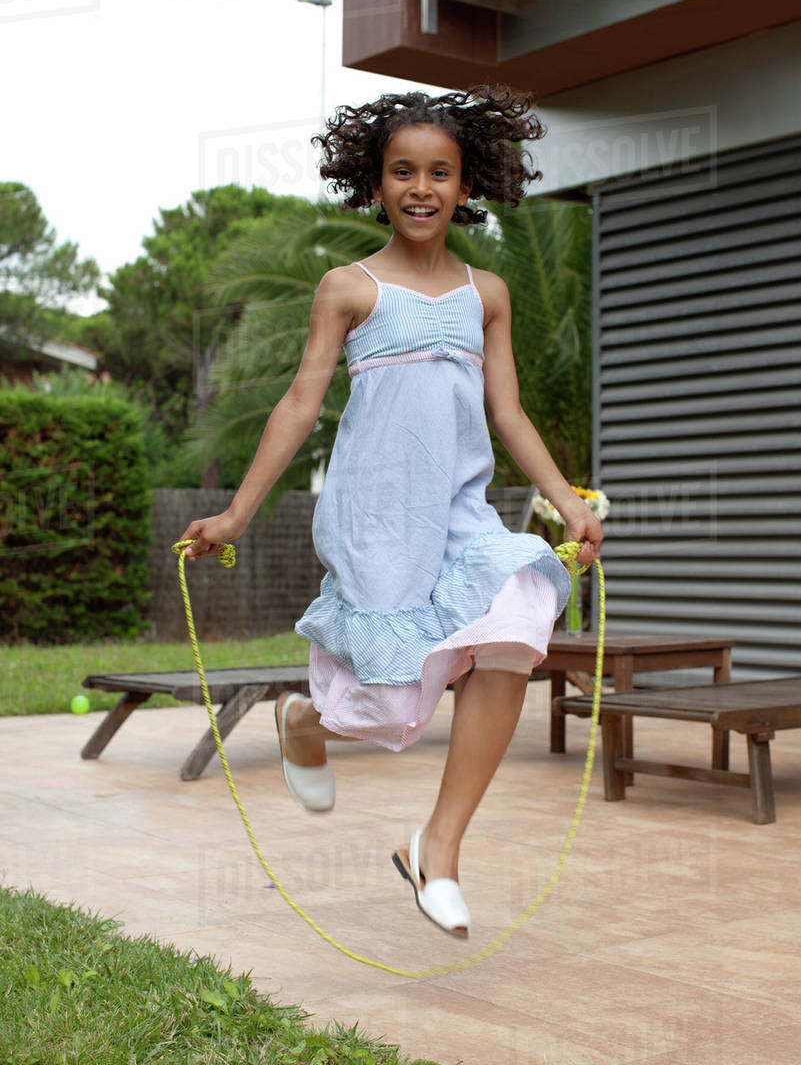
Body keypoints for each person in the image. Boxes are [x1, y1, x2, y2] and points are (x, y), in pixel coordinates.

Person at [179, 84, 604, 938]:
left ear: (464, 185)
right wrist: (233, 515)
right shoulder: (350, 288)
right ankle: (305, 718)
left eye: (438, 173)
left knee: (519, 615)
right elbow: (299, 404)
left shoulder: (486, 293)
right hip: (375, 521)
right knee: (393, 714)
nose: (420, 188)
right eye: (402, 171)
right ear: (373, 185)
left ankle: (435, 851)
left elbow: (508, 412)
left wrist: (563, 502)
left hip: (459, 517)